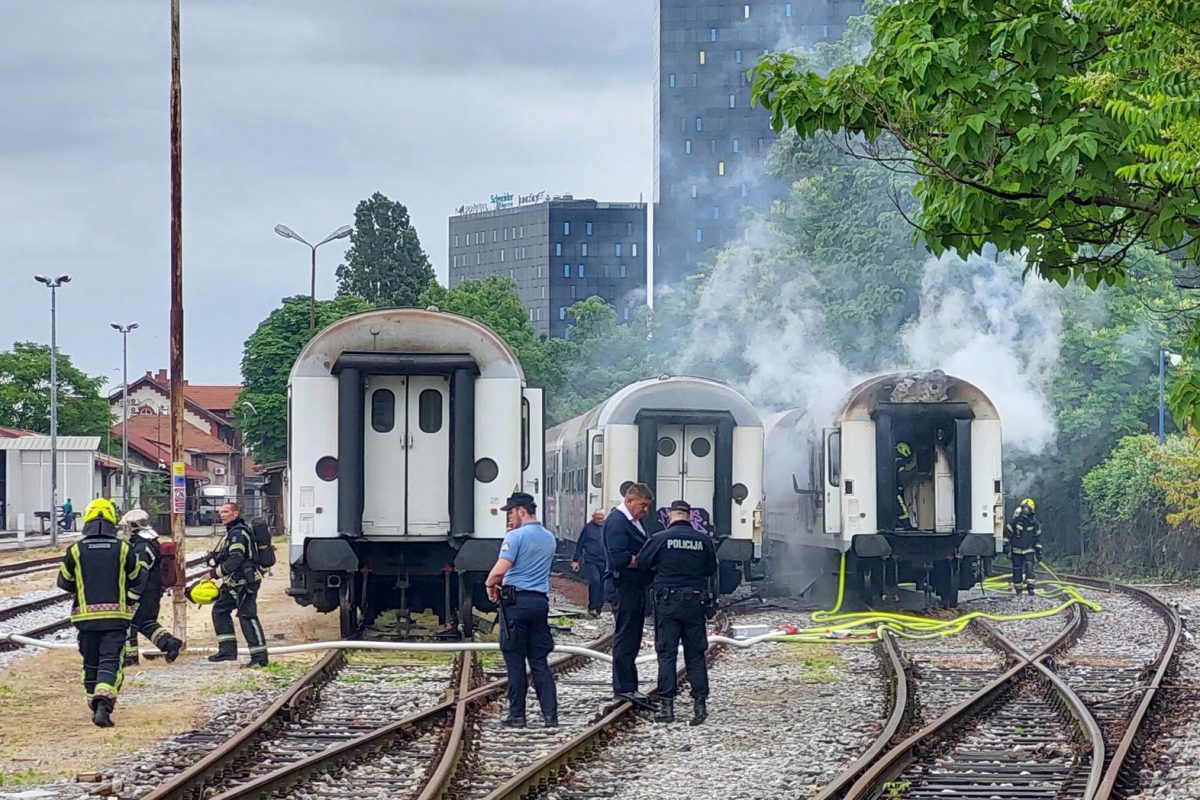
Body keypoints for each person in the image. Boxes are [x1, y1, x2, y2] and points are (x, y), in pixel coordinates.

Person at [56, 498, 144, 727]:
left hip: (85, 619)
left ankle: (91, 701)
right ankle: (103, 702)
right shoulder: (123, 548)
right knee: (111, 660)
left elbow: (64, 582)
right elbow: (137, 577)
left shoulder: (75, 550)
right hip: (116, 618)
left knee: (90, 661)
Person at [637, 500, 718, 725]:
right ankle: (699, 706)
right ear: (690, 516)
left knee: (666, 654)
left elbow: (643, 563)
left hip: (668, 603)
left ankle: (667, 707)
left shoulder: (659, 539)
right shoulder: (703, 541)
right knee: (695, 655)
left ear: (670, 516)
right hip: (695, 603)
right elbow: (711, 569)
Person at [484, 491, 559, 728]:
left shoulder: (515, 537)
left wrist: (489, 584)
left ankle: (517, 714)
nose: (508, 517)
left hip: (516, 604)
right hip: (539, 602)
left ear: (521, 510)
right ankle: (550, 714)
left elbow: (500, 570)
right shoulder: (549, 537)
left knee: (515, 660)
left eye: (510, 512)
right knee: (539, 660)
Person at [604, 482, 654, 703]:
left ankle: (630, 685)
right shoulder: (617, 523)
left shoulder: (636, 522)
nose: (645, 510)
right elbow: (619, 558)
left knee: (633, 636)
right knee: (625, 636)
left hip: (635, 586)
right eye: (643, 505)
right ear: (629, 500)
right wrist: (643, 561)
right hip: (623, 585)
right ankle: (623, 686)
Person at [207, 502, 268, 667]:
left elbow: (236, 558)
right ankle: (227, 651)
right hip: (236, 581)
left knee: (247, 616)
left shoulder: (238, 534)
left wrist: (214, 574)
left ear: (235, 513)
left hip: (245, 582)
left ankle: (259, 658)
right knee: (220, 610)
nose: (222, 514)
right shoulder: (233, 532)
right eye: (220, 512)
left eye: (226, 511)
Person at [121, 509, 183, 666]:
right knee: (146, 622)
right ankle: (169, 643)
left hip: (143, 593)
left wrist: (132, 596)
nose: (127, 530)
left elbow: (140, 573)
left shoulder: (141, 547)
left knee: (129, 624)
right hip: (153, 591)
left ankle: (130, 659)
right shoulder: (151, 541)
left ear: (134, 525)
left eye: (128, 526)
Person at [571, 509, 607, 618]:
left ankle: (599, 607)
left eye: (602, 518)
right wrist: (575, 560)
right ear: (593, 517)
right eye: (598, 518)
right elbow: (580, 544)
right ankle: (592, 607)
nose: (600, 521)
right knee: (595, 581)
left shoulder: (607, 527)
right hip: (591, 560)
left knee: (603, 584)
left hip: (605, 560)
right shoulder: (588, 528)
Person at [1006, 497, 1042, 595]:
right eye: (1024, 508)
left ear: (1031, 510)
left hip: (1029, 550)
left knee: (1029, 569)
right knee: (1017, 571)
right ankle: (1018, 591)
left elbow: (1037, 538)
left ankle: (1030, 588)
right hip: (1016, 550)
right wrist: (1006, 545)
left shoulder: (1035, 524)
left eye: (1028, 508)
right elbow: (1007, 533)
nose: (1025, 511)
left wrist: (1039, 552)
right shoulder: (1015, 522)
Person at [895, 442, 916, 530]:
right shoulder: (900, 463)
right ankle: (905, 524)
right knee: (902, 507)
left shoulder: (894, 460)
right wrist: (915, 471)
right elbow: (903, 476)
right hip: (896, 489)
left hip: (896, 488)